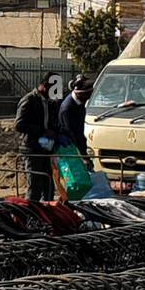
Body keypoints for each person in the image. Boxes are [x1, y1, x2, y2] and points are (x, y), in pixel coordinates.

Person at [15, 72, 59, 201]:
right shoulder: (29, 100)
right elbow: (19, 125)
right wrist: (42, 131)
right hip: (31, 148)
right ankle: (31, 214)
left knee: (48, 185)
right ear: (45, 86)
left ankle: (47, 212)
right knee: (34, 186)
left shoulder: (48, 102)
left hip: (44, 147)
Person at [58, 76, 95, 171]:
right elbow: (70, 134)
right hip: (69, 150)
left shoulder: (80, 104)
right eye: (88, 95)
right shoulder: (67, 108)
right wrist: (82, 157)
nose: (89, 98)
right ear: (81, 94)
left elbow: (79, 132)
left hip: (77, 147)